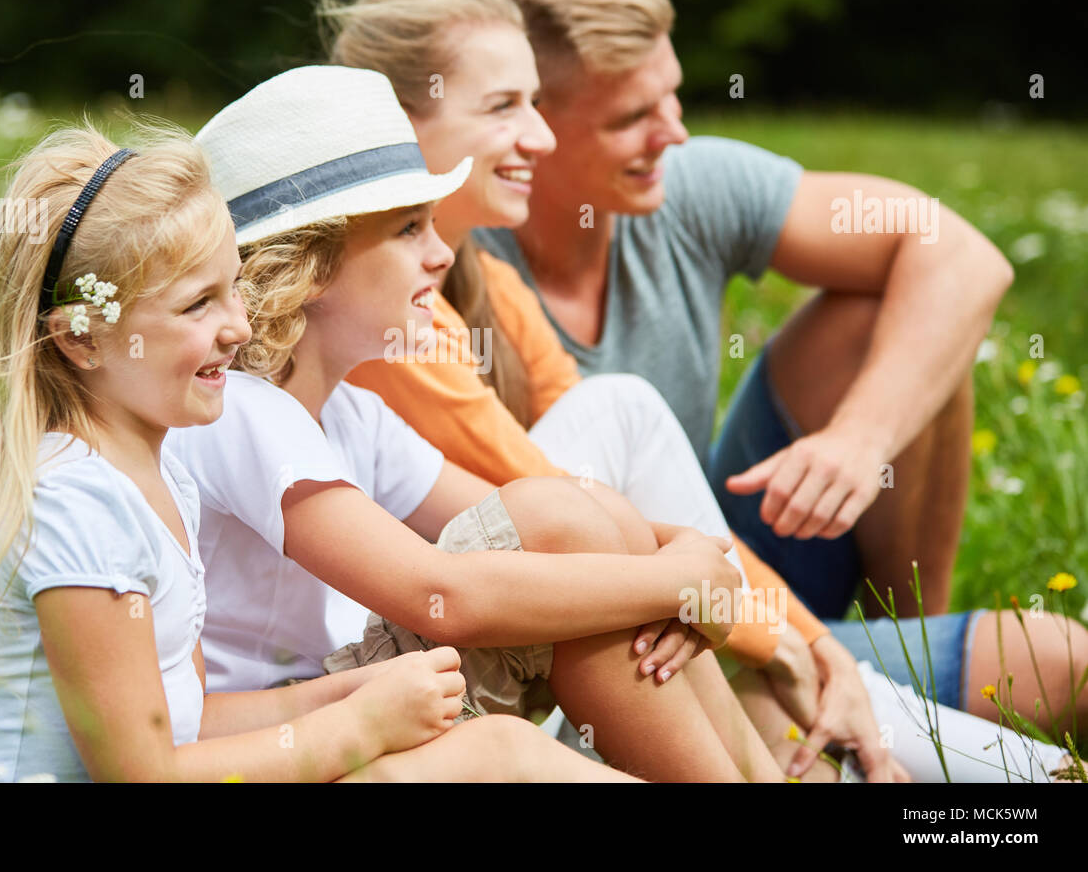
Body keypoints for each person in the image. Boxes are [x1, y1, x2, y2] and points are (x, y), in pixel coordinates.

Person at [321, 0, 1076, 782]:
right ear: (398, 125)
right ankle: (985, 766)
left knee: (1063, 661)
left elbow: (953, 251)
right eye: (507, 107)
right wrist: (740, 619)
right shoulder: (386, 304)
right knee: (622, 434)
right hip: (540, 644)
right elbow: (544, 511)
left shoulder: (492, 278)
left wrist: (846, 460)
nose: (534, 136)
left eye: (533, 104)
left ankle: (905, 711)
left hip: (661, 600)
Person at [0, 120, 633, 783]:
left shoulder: (161, 472)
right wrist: (358, 727)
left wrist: (347, 692)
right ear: (81, 338)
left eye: (234, 287)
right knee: (498, 752)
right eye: (197, 305)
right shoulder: (76, 504)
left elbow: (190, 722)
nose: (239, 327)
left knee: (494, 748)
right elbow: (143, 772)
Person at [169, 63, 789, 781]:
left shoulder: (351, 415)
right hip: (299, 716)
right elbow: (443, 597)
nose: (440, 253)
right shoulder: (241, 412)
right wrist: (674, 584)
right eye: (407, 229)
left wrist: (689, 559)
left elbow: (581, 522)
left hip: (364, 682)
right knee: (562, 521)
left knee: (589, 514)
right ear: (308, 267)